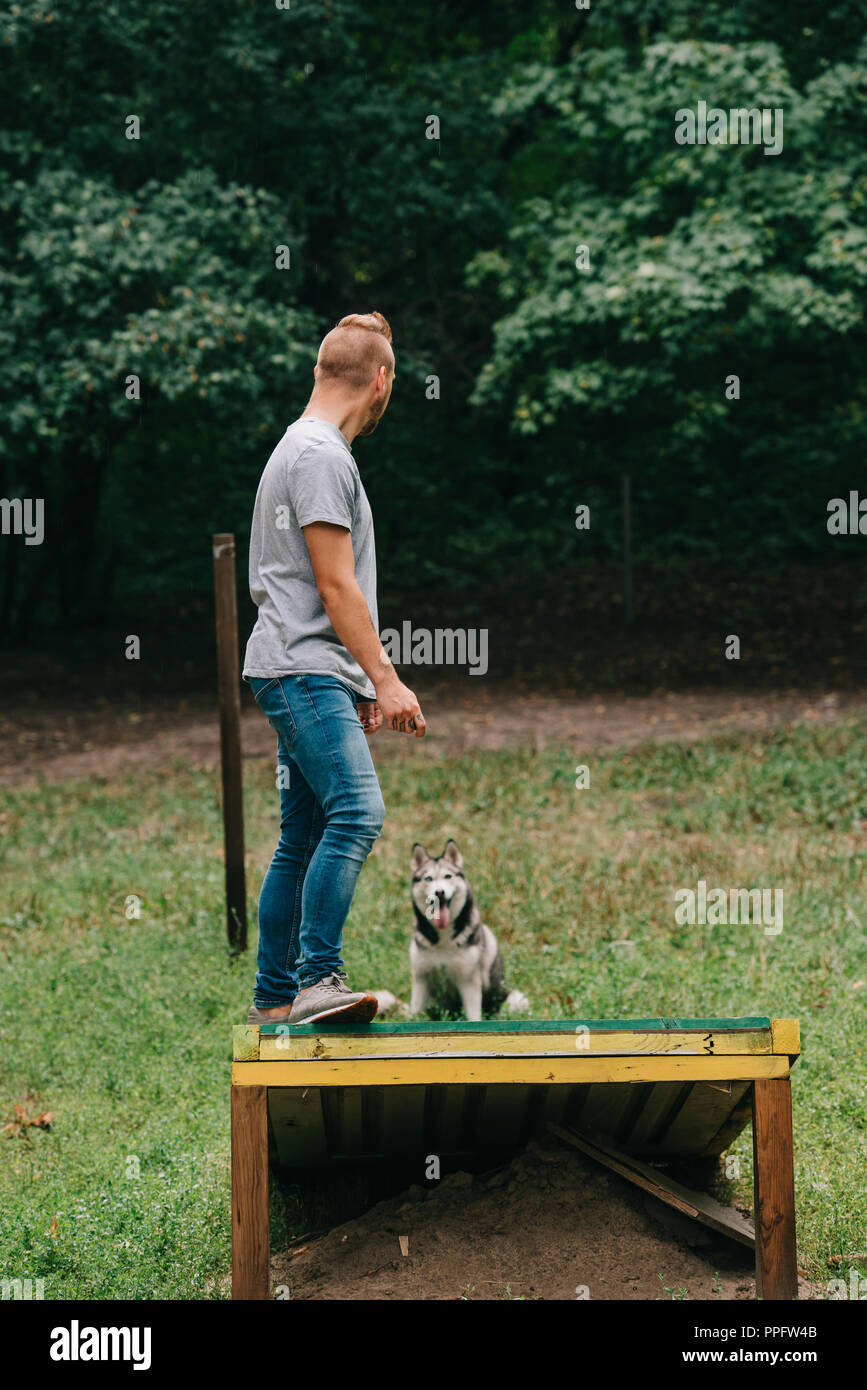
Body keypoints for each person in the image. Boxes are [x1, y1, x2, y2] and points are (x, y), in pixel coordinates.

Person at [242, 311, 425, 1026]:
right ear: (380, 381)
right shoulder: (320, 456)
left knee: (306, 834)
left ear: (322, 371)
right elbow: (333, 584)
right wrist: (383, 676)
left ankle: (274, 998)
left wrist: (354, 682)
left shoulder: (303, 446)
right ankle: (318, 979)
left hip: (303, 668)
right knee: (358, 811)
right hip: (301, 667)